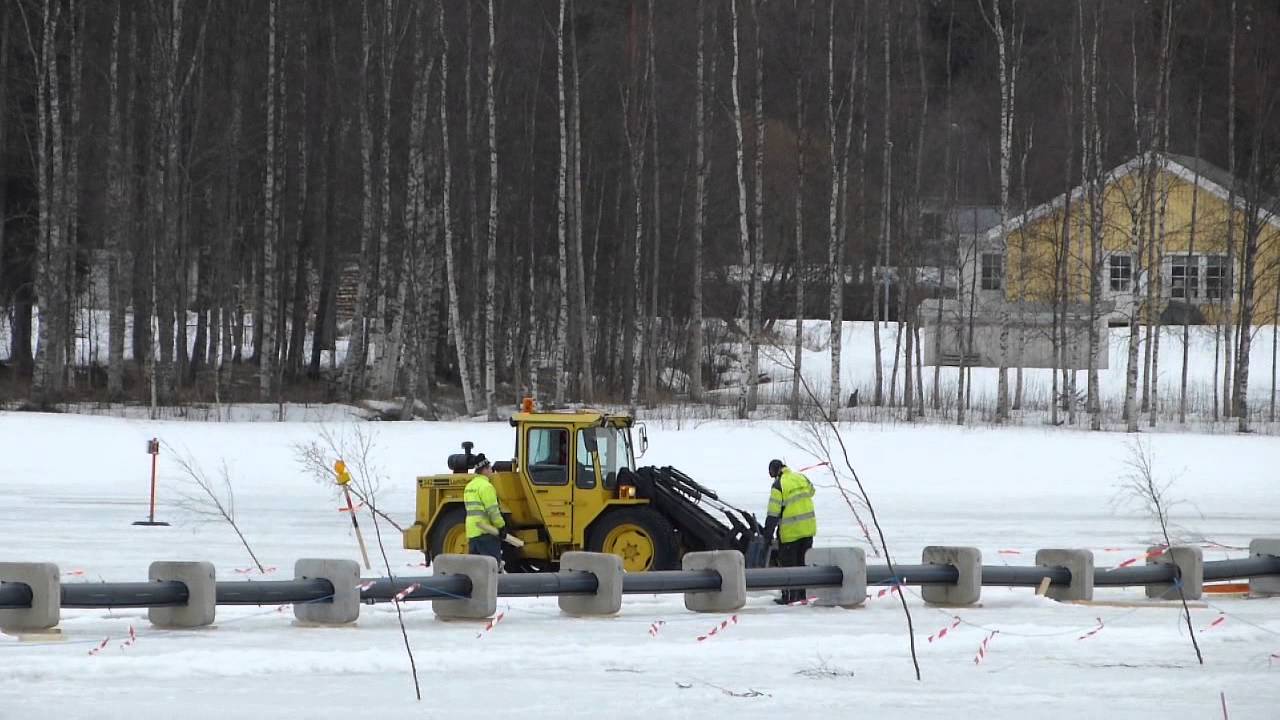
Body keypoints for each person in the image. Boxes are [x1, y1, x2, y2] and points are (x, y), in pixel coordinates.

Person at [762, 458, 817, 604]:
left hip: (791, 533)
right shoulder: (801, 477)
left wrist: (767, 536)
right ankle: (802, 596)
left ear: (774, 472)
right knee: (803, 564)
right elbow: (812, 491)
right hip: (808, 529)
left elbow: (773, 513)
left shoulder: (778, 485)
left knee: (789, 566)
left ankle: (790, 597)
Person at [464, 455, 507, 566]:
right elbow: (493, 511)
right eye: (490, 468)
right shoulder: (486, 487)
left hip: (472, 532)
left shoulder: (469, 486)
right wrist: (501, 526)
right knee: (491, 568)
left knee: (476, 569)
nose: (492, 470)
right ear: (485, 469)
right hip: (486, 533)